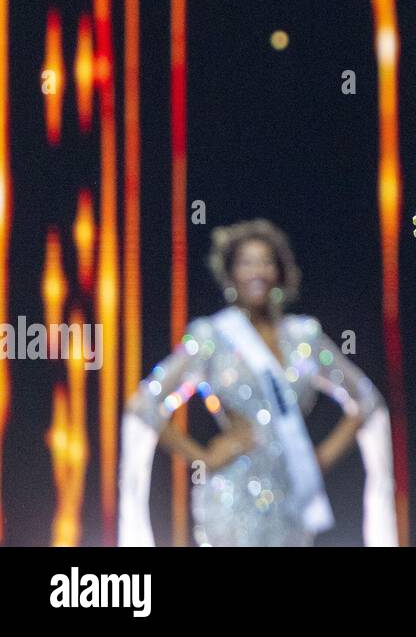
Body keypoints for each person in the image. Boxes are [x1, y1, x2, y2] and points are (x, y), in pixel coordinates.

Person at [119, 219, 398, 546]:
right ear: (231, 274)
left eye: (266, 262)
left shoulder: (304, 337)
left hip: (293, 497)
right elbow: (143, 403)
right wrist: (201, 456)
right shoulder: (214, 336)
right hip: (232, 497)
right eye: (246, 262)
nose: (257, 271)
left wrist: (321, 458)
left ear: (280, 271)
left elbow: (366, 400)